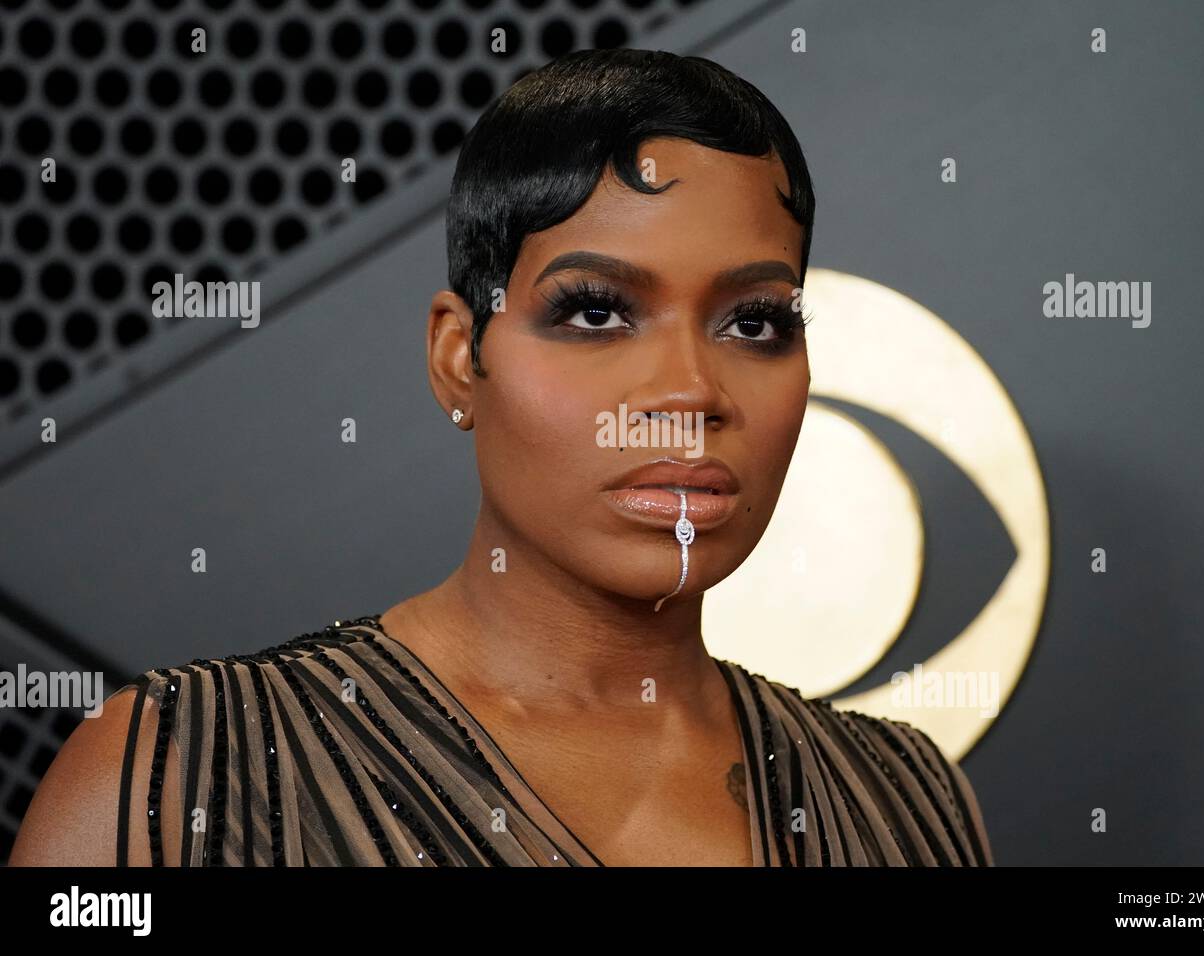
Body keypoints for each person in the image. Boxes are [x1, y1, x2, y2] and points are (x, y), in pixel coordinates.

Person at [11, 48, 992, 867]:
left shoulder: (908, 808)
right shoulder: (180, 776)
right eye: (596, 311)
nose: (690, 390)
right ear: (457, 357)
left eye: (754, 320)